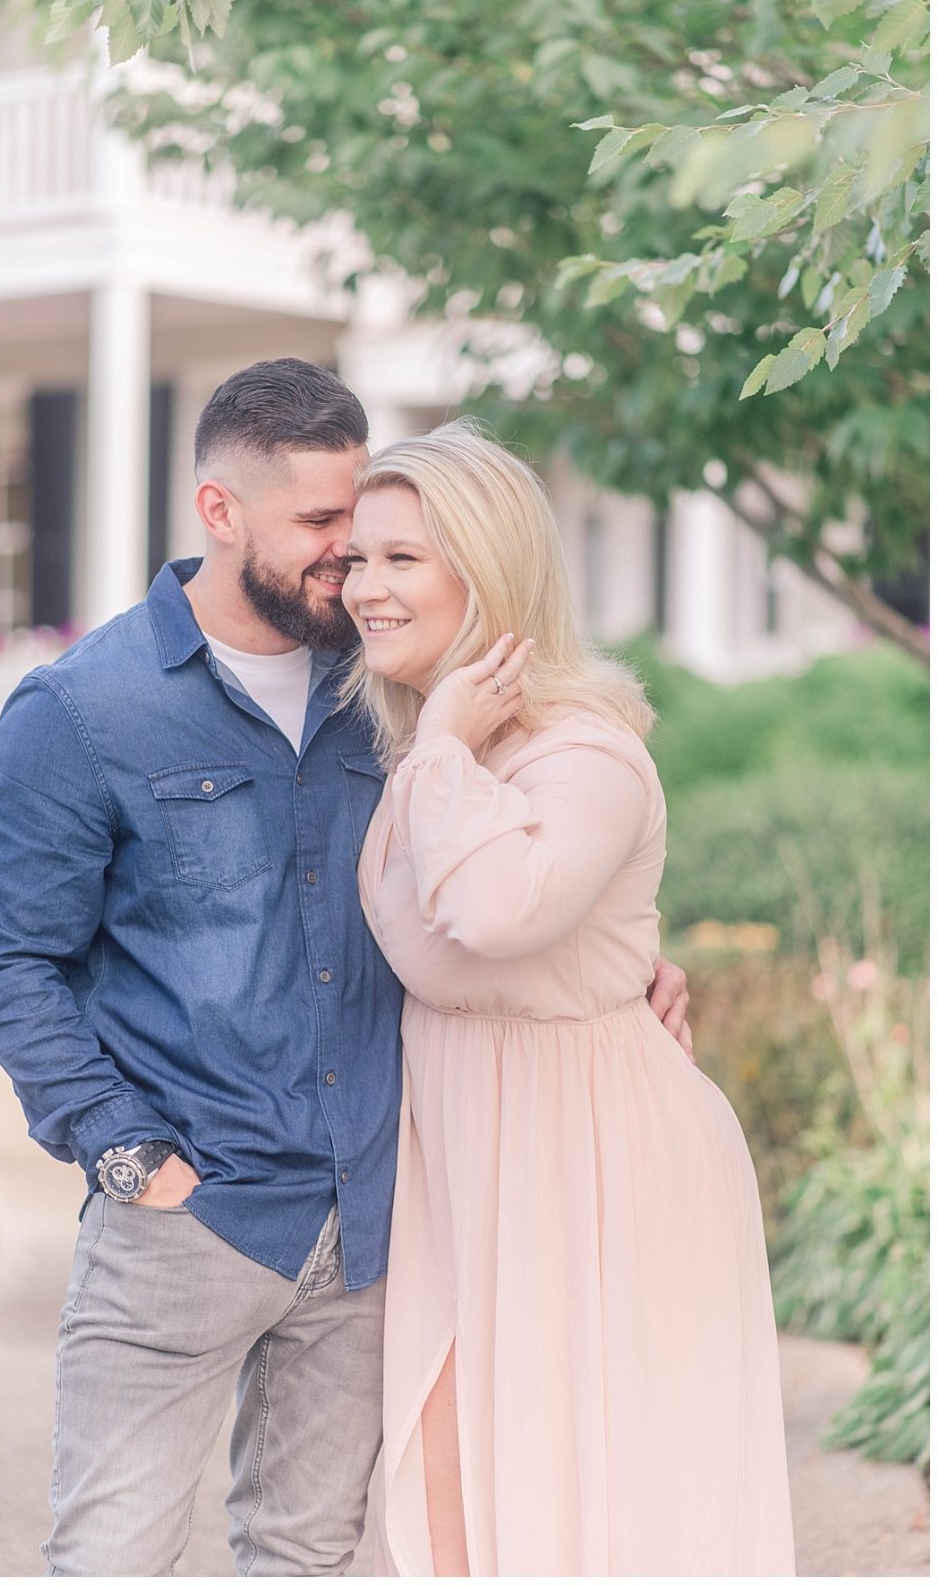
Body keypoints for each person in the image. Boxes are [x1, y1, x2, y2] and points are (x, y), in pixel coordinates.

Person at [0, 359, 691, 1577]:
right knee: (110, 1555)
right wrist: (129, 1155)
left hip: (371, 1228)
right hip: (185, 1227)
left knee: (306, 1555)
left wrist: (630, 963)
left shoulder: (392, 690)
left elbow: (532, 838)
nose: (347, 562)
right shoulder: (84, 712)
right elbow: (6, 962)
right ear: (220, 510)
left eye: (361, 526)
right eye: (319, 526)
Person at [340, 420, 796, 1577]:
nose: (364, 588)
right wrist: (435, 744)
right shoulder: (414, 750)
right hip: (464, 1154)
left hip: (592, 1152)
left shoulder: (580, 749)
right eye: (358, 557)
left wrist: (444, 742)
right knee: (453, 1501)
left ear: (487, 573)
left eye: (402, 558)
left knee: (590, 1504)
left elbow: (495, 912)